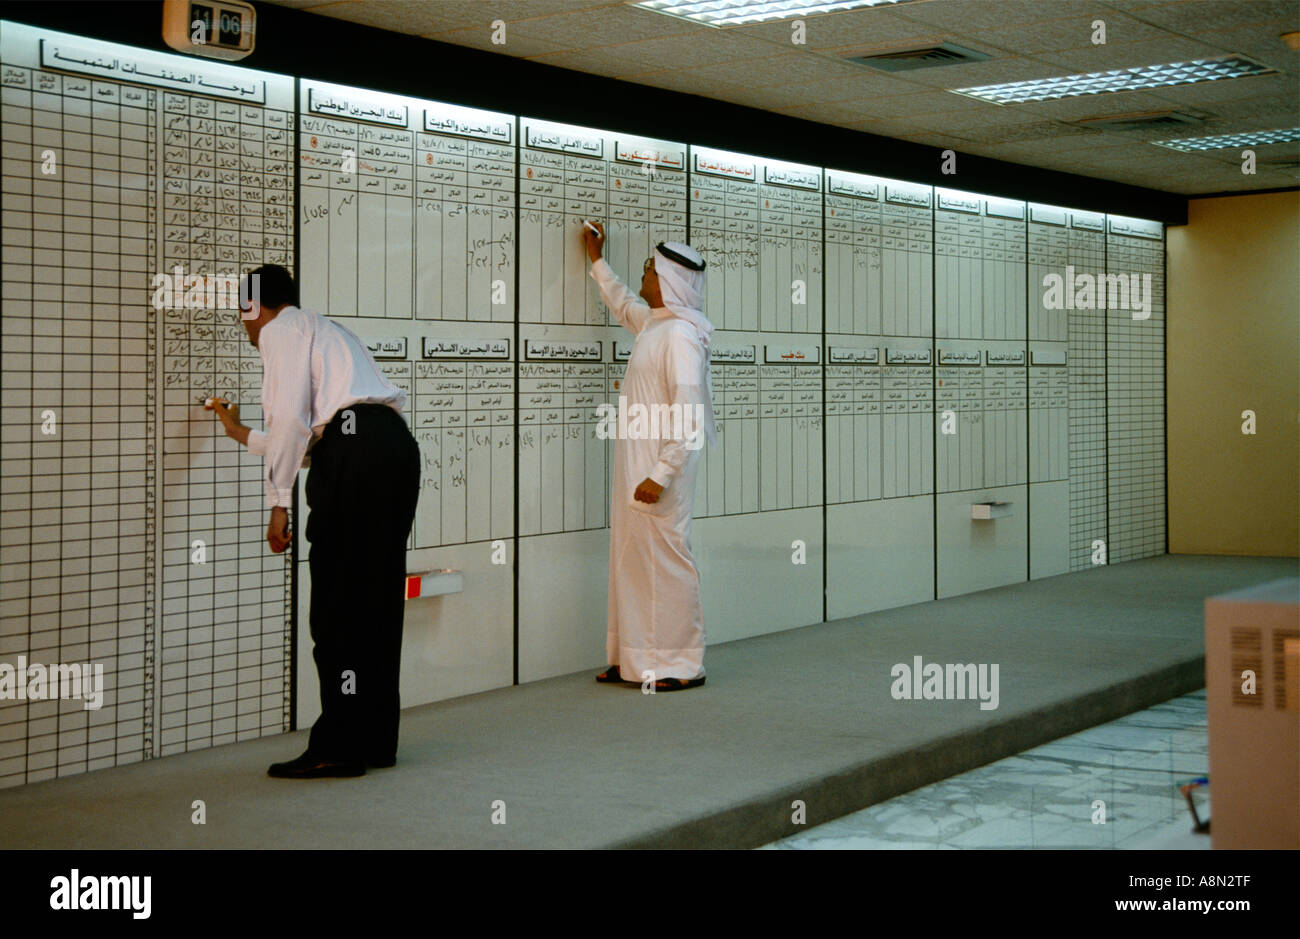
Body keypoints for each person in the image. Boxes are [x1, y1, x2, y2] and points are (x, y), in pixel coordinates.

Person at [207, 264, 420, 777]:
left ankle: (338, 749)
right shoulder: (325, 329)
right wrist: (239, 433)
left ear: (254, 308)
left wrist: (278, 502)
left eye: (243, 314)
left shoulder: (280, 331)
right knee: (375, 601)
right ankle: (373, 741)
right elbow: (311, 436)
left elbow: (290, 419)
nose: (245, 327)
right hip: (391, 449)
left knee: (337, 608)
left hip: (353, 454)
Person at [584, 223, 717, 692]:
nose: (644, 276)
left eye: (648, 269)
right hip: (636, 472)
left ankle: (680, 665)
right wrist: (597, 260)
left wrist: (661, 473)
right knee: (632, 559)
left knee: (667, 563)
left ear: (666, 280)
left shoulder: (680, 336)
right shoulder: (658, 327)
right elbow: (624, 305)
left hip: (660, 474)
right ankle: (634, 661)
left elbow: (689, 412)